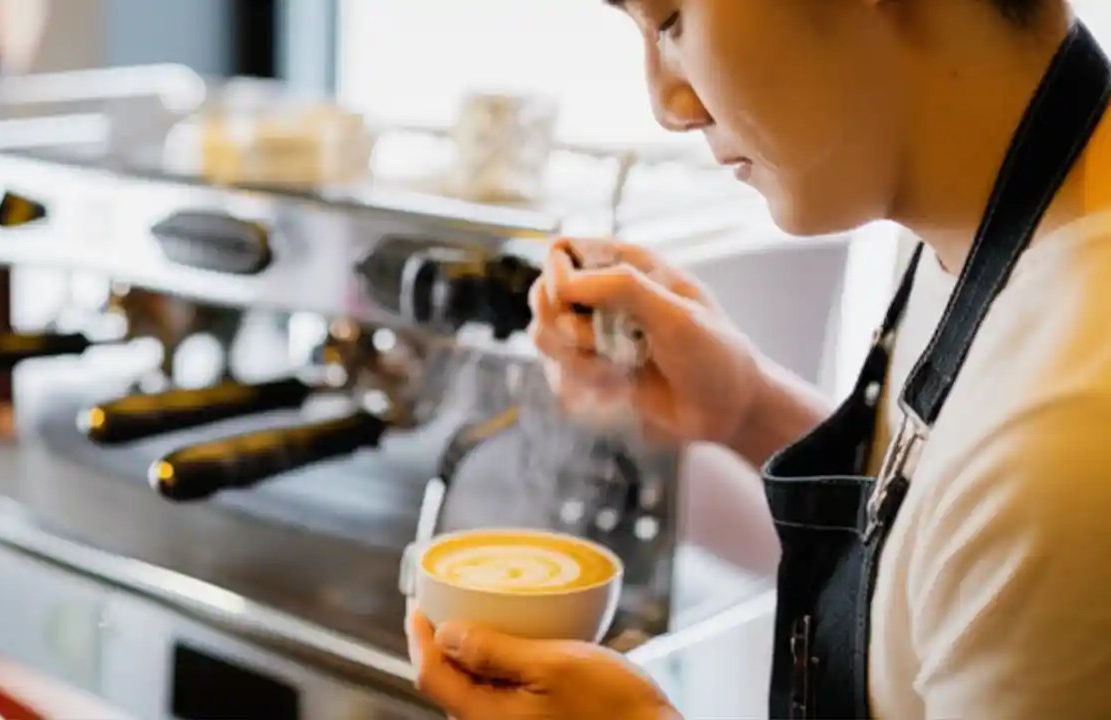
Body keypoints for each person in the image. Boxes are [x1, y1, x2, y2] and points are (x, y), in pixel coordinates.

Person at [407, 0, 1111, 718]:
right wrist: (744, 406)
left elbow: (1016, 484)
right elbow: (949, 529)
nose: (668, 106)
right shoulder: (977, 213)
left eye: (671, 20)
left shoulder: (1066, 431)